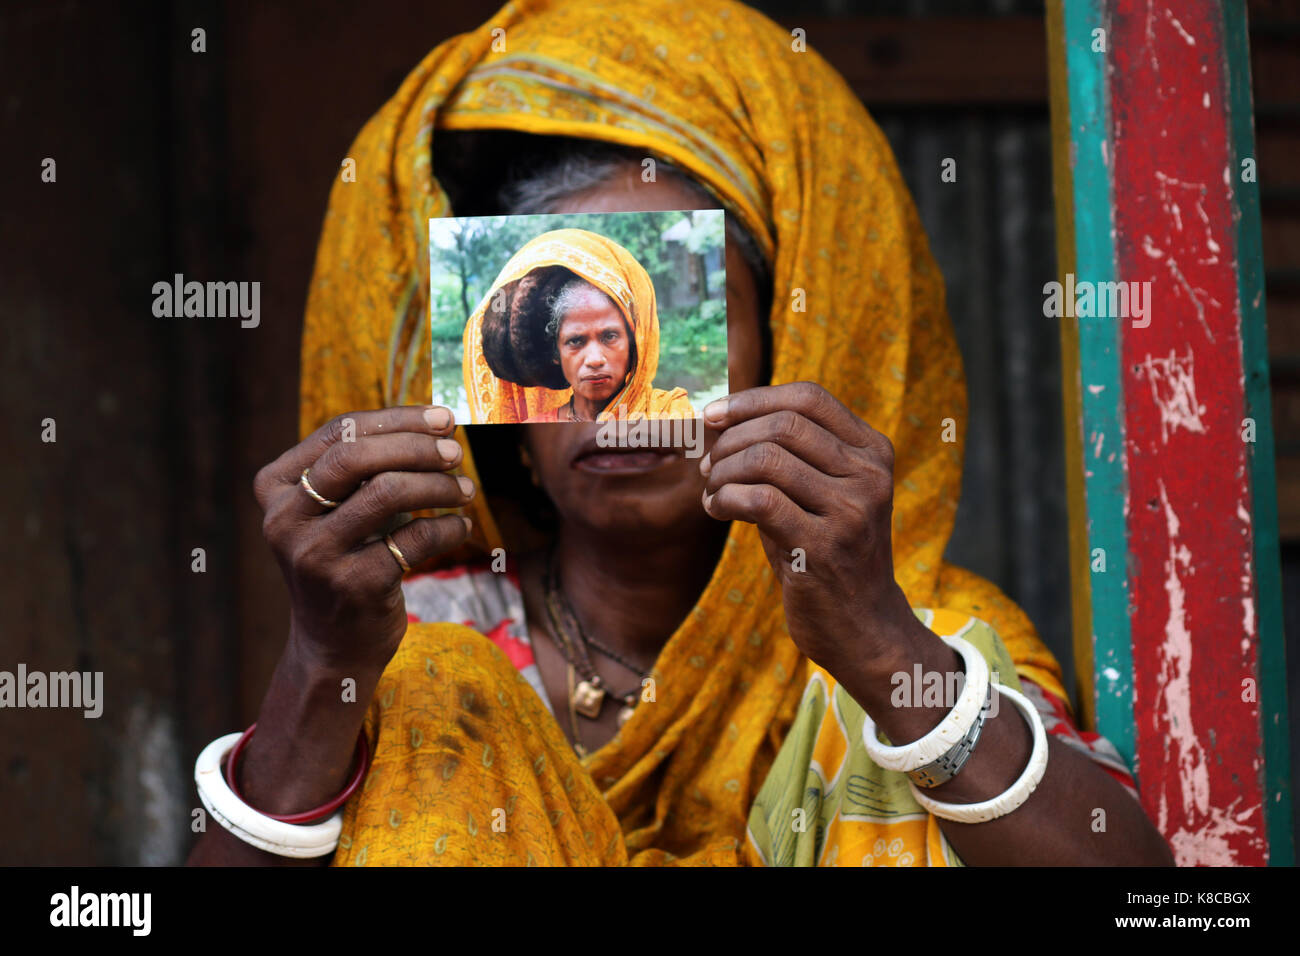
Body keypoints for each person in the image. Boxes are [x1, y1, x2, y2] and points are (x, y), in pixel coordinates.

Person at [188, 0, 1173, 866]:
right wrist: (323, 663)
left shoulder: (918, 630)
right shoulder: (413, 635)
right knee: (435, 695)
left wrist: (877, 646)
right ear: (511, 400)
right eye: (560, 345)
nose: (605, 387)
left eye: (651, 329)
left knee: (874, 731)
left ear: (777, 355)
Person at [461, 228, 695, 423]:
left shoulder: (670, 414)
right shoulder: (536, 430)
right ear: (555, 352)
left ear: (635, 342)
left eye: (610, 336)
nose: (594, 359)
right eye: (575, 341)